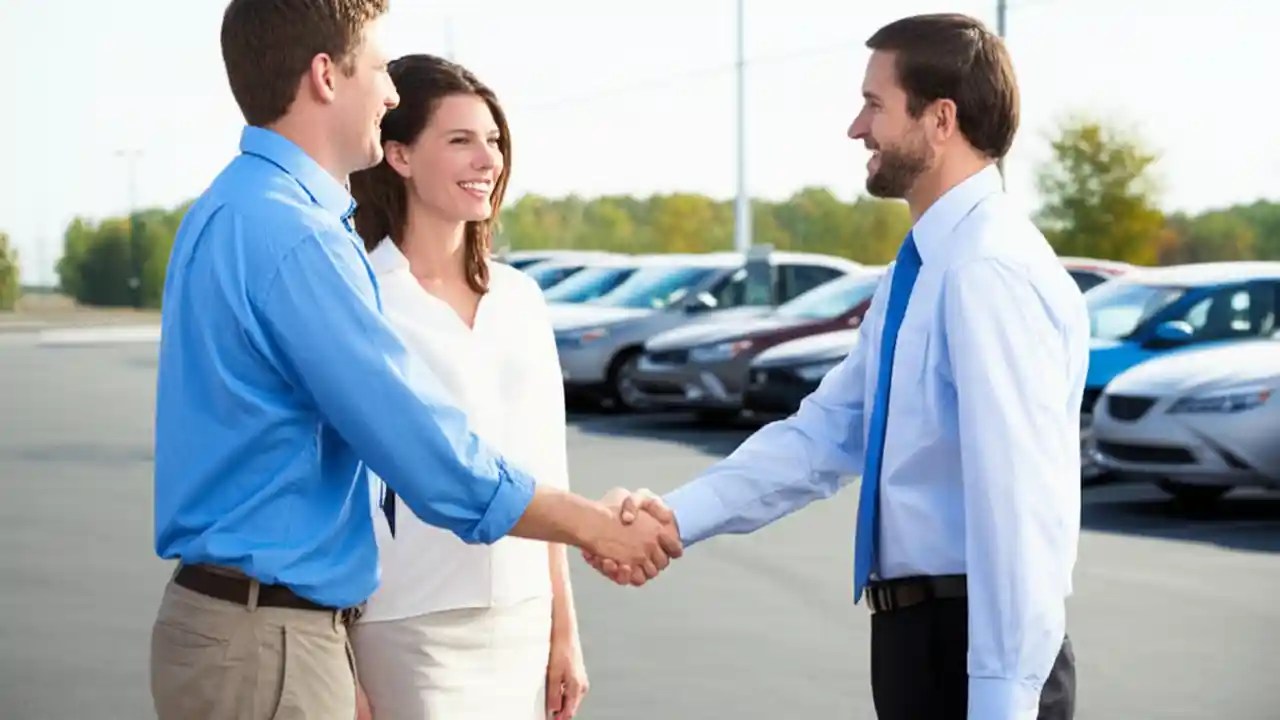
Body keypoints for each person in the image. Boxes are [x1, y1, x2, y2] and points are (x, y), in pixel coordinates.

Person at [149, 3, 679, 719]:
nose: (391, 92)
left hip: (252, 630)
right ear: (325, 77)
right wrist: (595, 525)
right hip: (269, 641)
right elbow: (429, 456)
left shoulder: (234, 207)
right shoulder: (295, 236)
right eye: (376, 69)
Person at [591, 13, 1086, 720]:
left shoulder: (988, 269)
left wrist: (1003, 704)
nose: (857, 128)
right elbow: (827, 432)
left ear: (940, 119)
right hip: (922, 644)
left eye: (874, 105)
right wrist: (676, 517)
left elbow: (1017, 512)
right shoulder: (921, 268)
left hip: (977, 655)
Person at [343, 54, 587, 720]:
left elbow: (545, 472)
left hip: (521, 619)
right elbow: (332, 488)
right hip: (406, 622)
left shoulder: (522, 300)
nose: (489, 159)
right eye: (461, 140)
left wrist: (564, 630)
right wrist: (342, 663)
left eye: (494, 140)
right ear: (397, 154)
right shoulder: (360, 298)